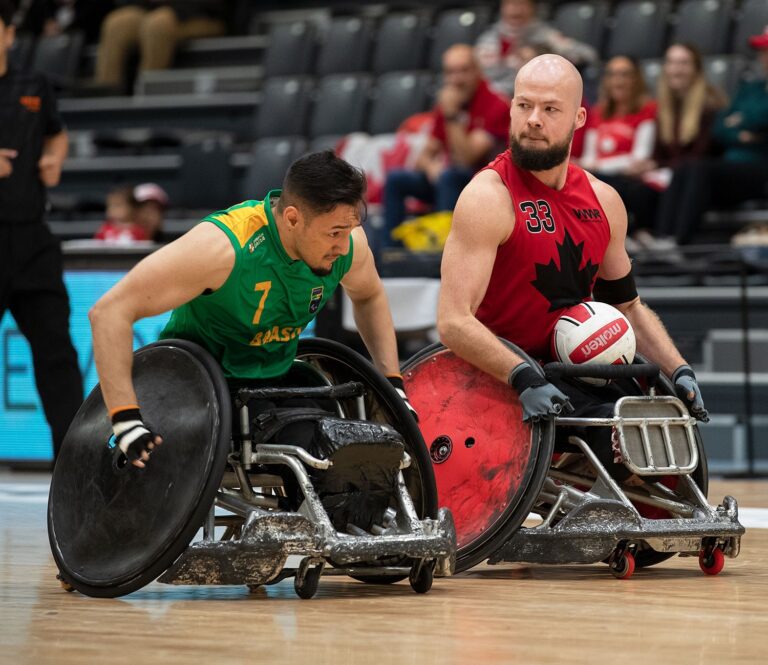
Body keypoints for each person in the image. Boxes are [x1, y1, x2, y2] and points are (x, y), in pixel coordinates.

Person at [437, 54, 707, 481]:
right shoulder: (488, 197)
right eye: (524, 106)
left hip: (575, 366)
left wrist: (679, 370)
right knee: (612, 427)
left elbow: (629, 307)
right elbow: (453, 322)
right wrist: (521, 374)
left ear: (579, 118)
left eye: (550, 109)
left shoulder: (604, 200)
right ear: (510, 108)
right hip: (501, 373)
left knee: (659, 414)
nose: (534, 120)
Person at [89, 151, 416, 469]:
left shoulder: (348, 245)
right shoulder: (222, 248)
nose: (344, 246)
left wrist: (393, 383)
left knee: (363, 440)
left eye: (349, 230)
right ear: (292, 218)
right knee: (321, 447)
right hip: (204, 387)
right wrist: (125, 419)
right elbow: (108, 312)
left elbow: (369, 296)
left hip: (274, 376)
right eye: (334, 233)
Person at [0, 0, 82, 463]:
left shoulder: (34, 86)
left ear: (9, 35)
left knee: (58, 358)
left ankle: (75, 467)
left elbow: (56, 130)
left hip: (32, 239)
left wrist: (55, 155)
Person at [594, 45, 728, 248]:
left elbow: (700, 152)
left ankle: (670, 241)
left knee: (679, 175)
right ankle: (637, 239)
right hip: (670, 174)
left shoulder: (709, 104)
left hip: (696, 177)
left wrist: (658, 166)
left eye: (683, 63)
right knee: (637, 190)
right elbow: (658, 153)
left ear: (696, 69)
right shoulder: (663, 107)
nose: (676, 69)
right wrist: (651, 165)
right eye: (672, 63)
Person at [382, 44, 510, 247]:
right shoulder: (447, 104)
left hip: (485, 184)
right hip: (448, 182)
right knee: (397, 179)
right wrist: (431, 167)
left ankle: (444, 253)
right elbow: (422, 158)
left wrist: (451, 116)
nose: (457, 79)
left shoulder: (496, 104)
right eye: (451, 72)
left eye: (464, 71)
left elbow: (467, 158)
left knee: (451, 176)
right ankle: (390, 256)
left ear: (478, 71)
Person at [653, 28, 768, 247]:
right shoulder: (751, 88)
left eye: (767, 50)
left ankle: (679, 242)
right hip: (730, 166)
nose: (763, 56)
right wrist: (742, 131)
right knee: (685, 167)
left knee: (698, 168)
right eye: (762, 51)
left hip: (760, 168)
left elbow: (757, 118)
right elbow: (720, 129)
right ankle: (662, 238)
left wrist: (742, 121)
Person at [94, 1, 227, 92]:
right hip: (154, 12)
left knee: (158, 24)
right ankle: (105, 98)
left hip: (200, 16)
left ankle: (145, 99)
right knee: (117, 24)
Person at [475, 0, 597, 99]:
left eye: (521, 4)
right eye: (510, 4)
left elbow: (587, 54)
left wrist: (543, 58)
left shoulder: (546, 36)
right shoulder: (488, 39)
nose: (515, 10)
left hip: (532, 98)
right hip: (490, 101)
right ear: (502, 8)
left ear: (532, 8)